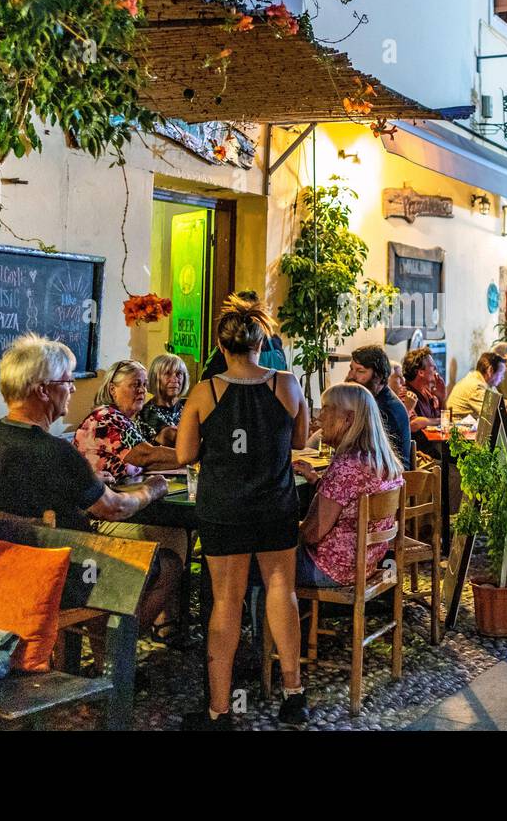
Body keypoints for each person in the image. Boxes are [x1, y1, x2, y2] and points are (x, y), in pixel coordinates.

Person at [0, 336, 176, 630]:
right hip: (65, 570)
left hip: (5, 564)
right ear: (43, 390)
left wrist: (88, 480)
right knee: (168, 565)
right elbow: (115, 508)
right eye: (66, 381)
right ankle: (112, 656)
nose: (72, 388)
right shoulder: (54, 451)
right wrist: (153, 488)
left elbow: (37, 488)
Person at [176, 294, 309, 729]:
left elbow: (184, 453)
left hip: (224, 508)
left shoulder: (205, 391)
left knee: (226, 601)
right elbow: (300, 441)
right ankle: (294, 694)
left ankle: (220, 709)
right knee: (280, 591)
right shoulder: (286, 384)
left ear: (220, 344)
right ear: (261, 340)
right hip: (275, 504)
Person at [292, 383, 405, 588]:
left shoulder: (346, 466)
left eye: (326, 409)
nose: (319, 418)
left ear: (349, 419)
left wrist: (286, 534)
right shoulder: (383, 461)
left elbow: (313, 533)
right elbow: (350, 501)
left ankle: (268, 619)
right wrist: (318, 481)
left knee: (265, 561)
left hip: (331, 569)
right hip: (366, 564)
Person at [73, 360, 183, 483]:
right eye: (135, 385)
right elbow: (146, 456)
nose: (142, 390)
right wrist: (194, 455)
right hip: (101, 497)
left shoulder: (121, 418)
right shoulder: (106, 418)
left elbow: (150, 463)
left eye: (144, 385)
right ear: (112, 389)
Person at [346, 345, 414, 471]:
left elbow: (363, 451)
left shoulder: (385, 409)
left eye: (360, 371)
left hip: (390, 481)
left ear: (378, 376)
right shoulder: (369, 400)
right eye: (351, 369)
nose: (351, 376)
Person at [138, 353, 188, 447]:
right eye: (167, 373)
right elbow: (172, 438)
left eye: (179, 374)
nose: (174, 379)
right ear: (155, 377)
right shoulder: (146, 412)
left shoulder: (188, 405)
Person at [446, 352, 505, 420]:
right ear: (490, 370)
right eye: (501, 373)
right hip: (457, 428)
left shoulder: (477, 379)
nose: (502, 378)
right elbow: (492, 414)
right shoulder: (476, 386)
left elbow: (498, 404)